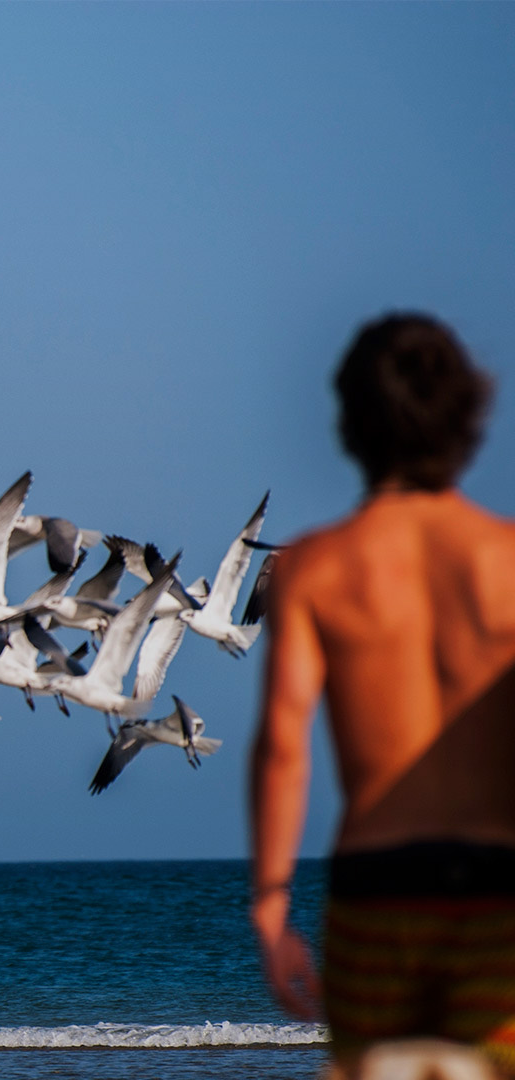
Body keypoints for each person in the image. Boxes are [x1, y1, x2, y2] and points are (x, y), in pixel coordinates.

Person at [251, 312, 513, 1075]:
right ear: (469, 420)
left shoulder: (314, 570)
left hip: (377, 894)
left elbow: (283, 747)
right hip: (497, 888)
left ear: (350, 427)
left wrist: (270, 903)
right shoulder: (508, 562)